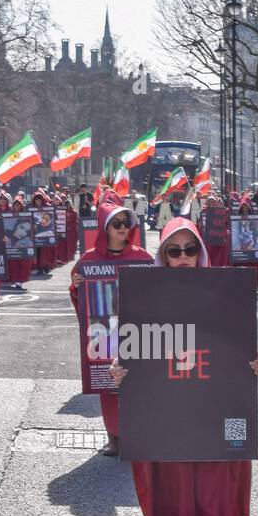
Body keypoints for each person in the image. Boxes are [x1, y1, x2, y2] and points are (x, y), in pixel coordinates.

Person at [110, 217, 258, 516]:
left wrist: (255, 362)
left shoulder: (224, 291)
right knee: (176, 475)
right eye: (174, 251)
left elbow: (236, 341)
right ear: (163, 255)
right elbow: (134, 348)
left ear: (201, 253)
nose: (183, 258)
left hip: (213, 401)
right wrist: (120, 369)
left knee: (213, 473)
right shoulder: (146, 295)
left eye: (190, 250)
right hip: (169, 405)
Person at [69, 190, 151, 457]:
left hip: (138, 334)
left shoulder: (143, 259)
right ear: (105, 227)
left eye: (127, 223)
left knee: (138, 384)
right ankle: (114, 436)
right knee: (109, 386)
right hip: (104, 335)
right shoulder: (88, 261)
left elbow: (158, 296)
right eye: (117, 223)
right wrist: (77, 287)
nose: (123, 229)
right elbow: (81, 303)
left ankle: (139, 433)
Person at [4, 191, 34, 291]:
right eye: (15, 205)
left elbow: (31, 230)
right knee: (13, 264)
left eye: (19, 205)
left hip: (24, 247)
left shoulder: (27, 216)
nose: (17, 207)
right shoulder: (8, 216)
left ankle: (20, 282)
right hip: (12, 248)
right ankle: (16, 281)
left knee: (25, 264)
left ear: (22, 206)